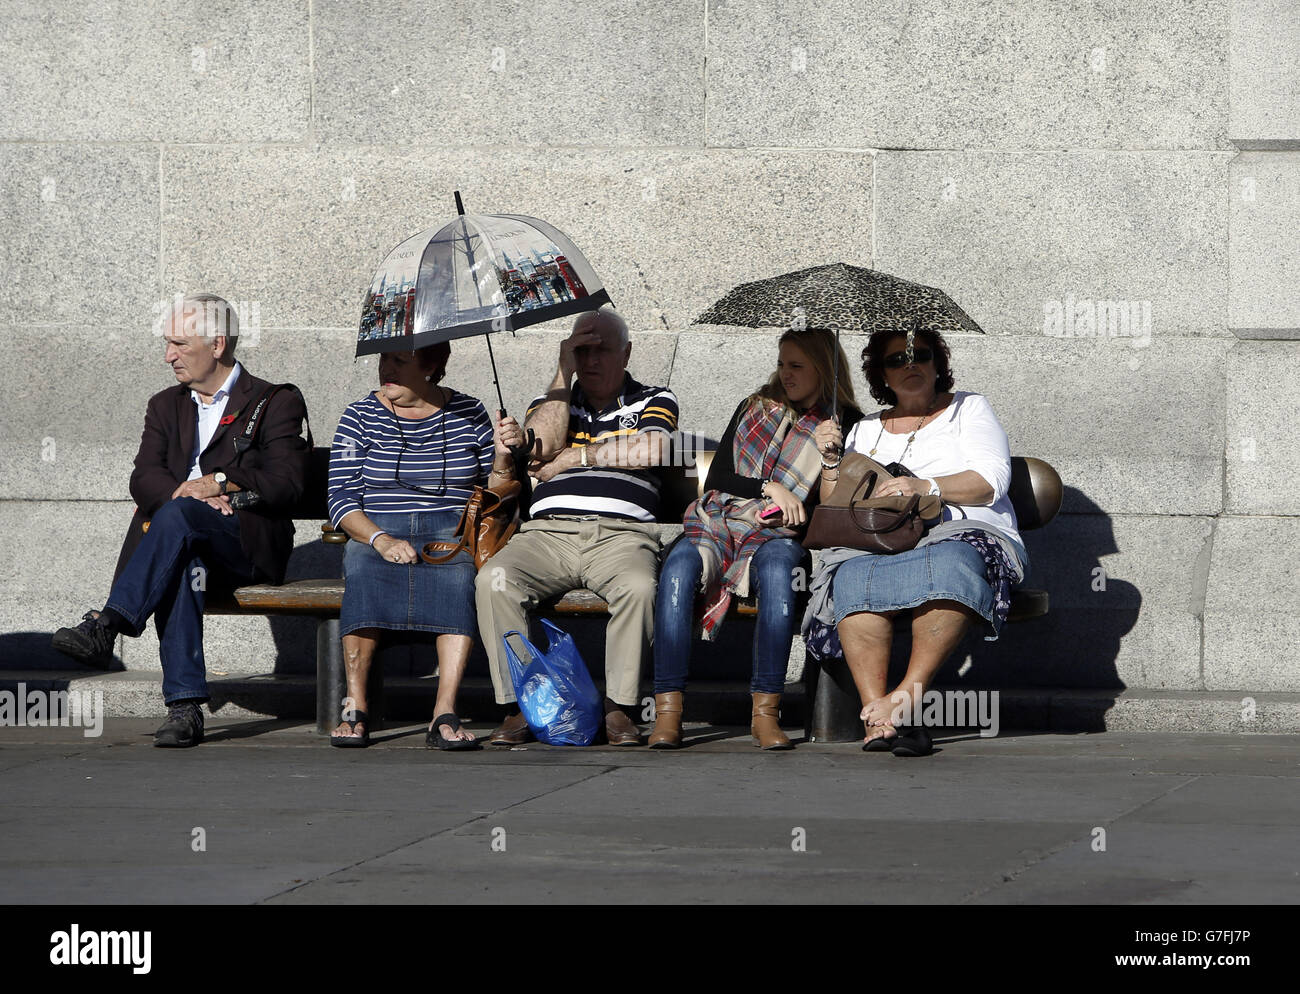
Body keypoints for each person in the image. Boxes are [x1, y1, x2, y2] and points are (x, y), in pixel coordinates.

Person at [51, 293, 311, 748]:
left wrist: (218, 483)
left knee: (181, 523)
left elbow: (287, 482)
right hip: (182, 541)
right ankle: (185, 708)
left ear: (217, 344)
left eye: (178, 344)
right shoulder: (165, 404)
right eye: (167, 343)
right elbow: (144, 476)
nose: (168, 355)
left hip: (245, 543)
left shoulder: (274, 401)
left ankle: (108, 624)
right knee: (183, 561)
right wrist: (185, 497)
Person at [803, 327, 1028, 757]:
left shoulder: (969, 408)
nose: (910, 365)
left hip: (960, 528)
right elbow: (837, 507)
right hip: (883, 540)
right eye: (895, 360)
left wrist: (923, 485)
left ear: (937, 365)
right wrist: (831, 460)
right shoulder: (866, 428)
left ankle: (904, 699)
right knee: (849, 574)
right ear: (880, 375)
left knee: (949, 565)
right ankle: (878, 712)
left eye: (920, 355)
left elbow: (989, 483)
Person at [648, 327, 863, 749]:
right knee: (676, 571)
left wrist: (830, 457)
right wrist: (772, 488)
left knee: (781, 579)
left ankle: (765, 712)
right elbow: (724, 477)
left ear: (823, 368)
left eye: (797, 365)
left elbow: (832, 508)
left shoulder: (844, 421)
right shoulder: (755, 406)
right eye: (782, 363)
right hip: (719, 521)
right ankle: (668, 712)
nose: (785, 373)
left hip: (784, 535)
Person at [476, 306, 679, 747]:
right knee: (494, 580)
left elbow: (652, 448)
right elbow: (541, 445)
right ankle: (519, 705)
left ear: (626, 353)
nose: (591, 360)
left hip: (623, 536)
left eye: (601, 350)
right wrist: (561, 371)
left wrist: (576, 457)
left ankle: (619, 709)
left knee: (640, 589)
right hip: (547, 535)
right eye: (581, 350)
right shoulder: (554, 404)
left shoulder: (653, 398)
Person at [326, 340, 512, 750]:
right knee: (362, 570)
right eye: (383, 359)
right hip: (376, 531)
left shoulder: (469, 412)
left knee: (461, 577)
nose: (386, 370)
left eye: (399, 361)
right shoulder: (360, 416)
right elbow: (339, 497)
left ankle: (443, 711)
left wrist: (503, 455)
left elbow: (494, 492)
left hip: (449, 533)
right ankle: (356, 706)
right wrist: (380, 539)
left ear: (431, 365)